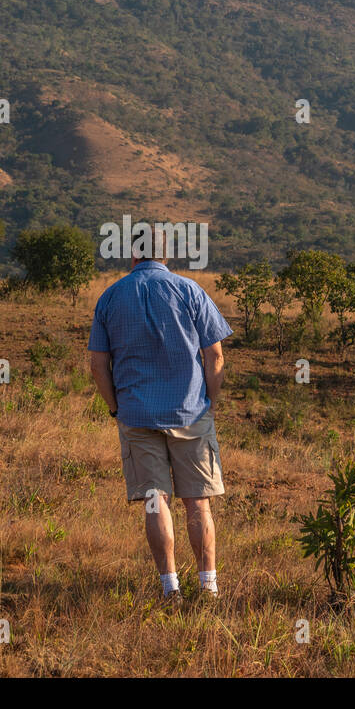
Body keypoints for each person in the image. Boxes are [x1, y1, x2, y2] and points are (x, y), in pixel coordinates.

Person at [88, 246, 232, 603]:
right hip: (190, 414)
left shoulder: (110, 296)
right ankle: (208, 588)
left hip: (137, 416)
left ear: (132, 257)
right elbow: (215, 355)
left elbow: (97, 365)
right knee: (198, 504)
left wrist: (116, 409)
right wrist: (210, 404)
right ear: (167, 256)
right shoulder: (190, 290)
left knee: (155, 501)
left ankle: (171, 589)